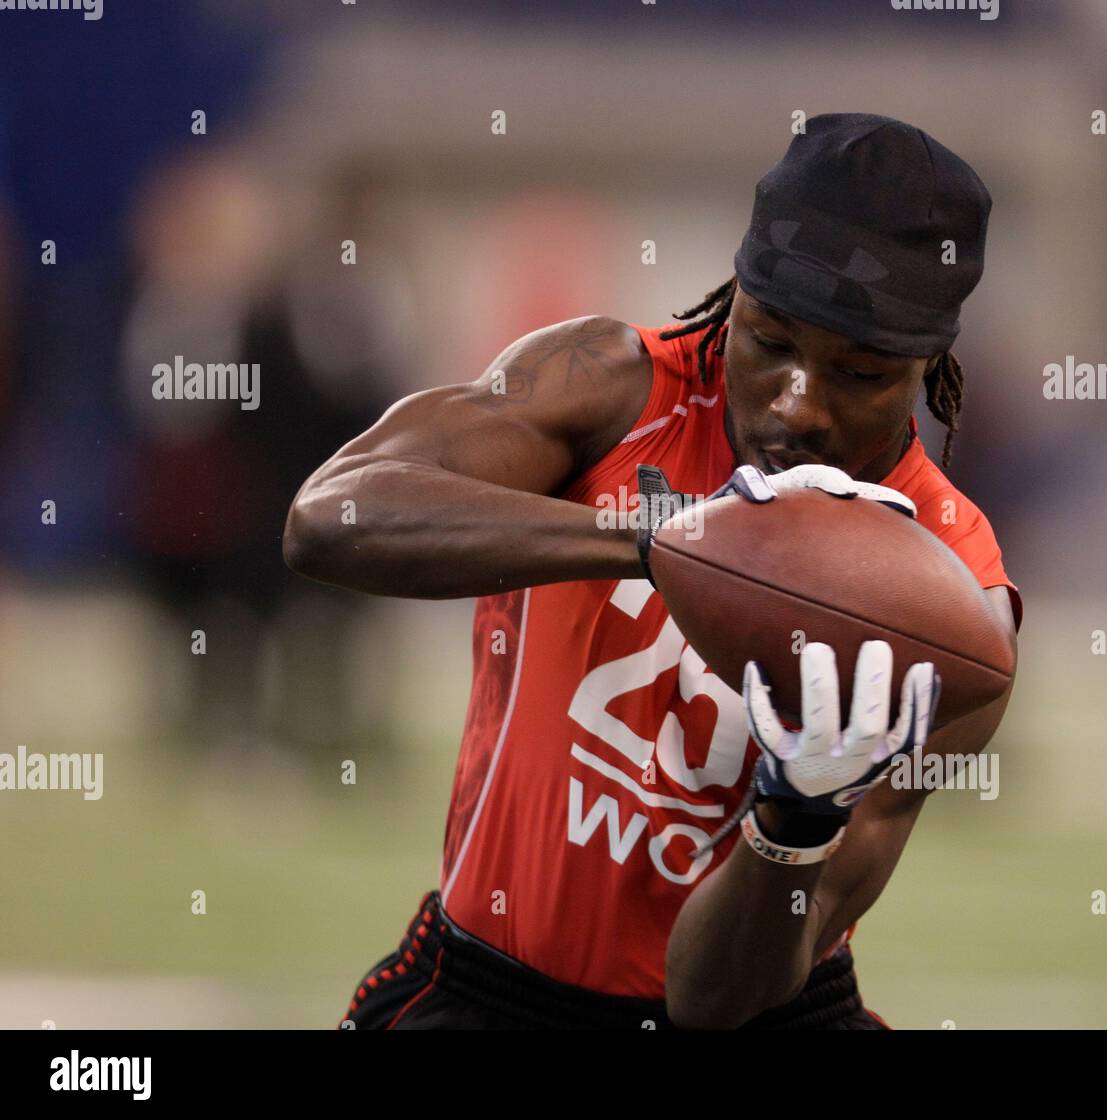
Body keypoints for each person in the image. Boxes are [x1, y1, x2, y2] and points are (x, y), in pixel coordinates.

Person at [284, 113, 1021, 1030]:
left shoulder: (954, 609)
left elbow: (717, 1001)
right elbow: (328, 517)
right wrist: (655, 543)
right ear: (734, 296)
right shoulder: (611, 385)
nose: (798, 406)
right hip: (488, 993)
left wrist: (795, 820)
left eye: (859, 374)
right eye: (772, 343)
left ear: (928, 368)